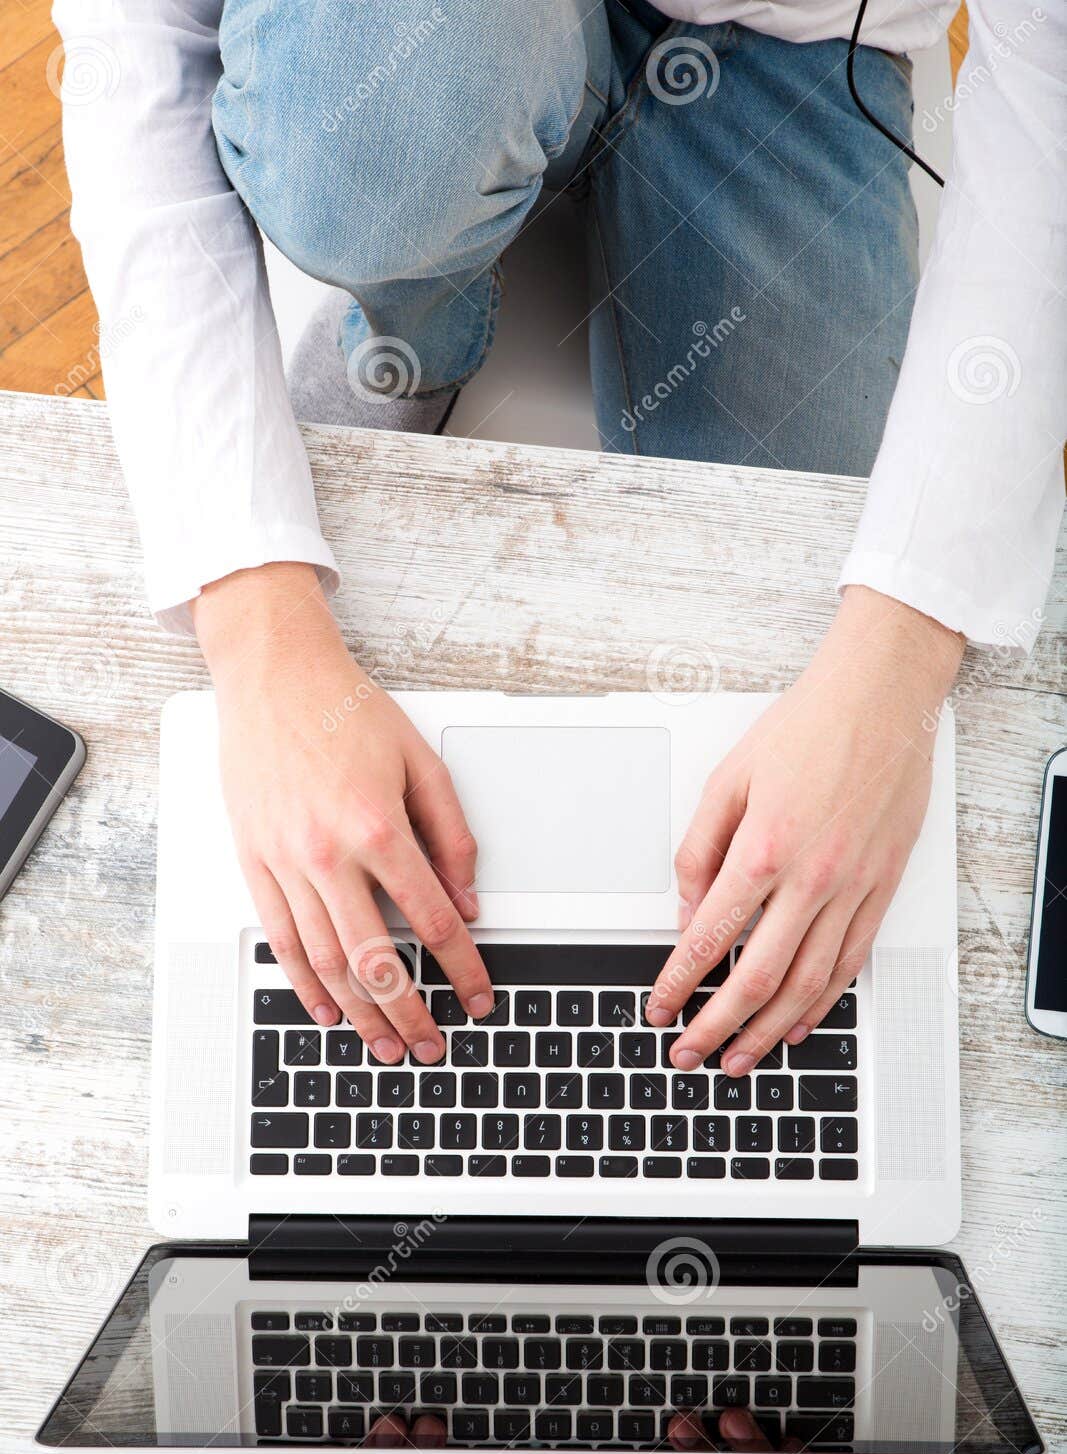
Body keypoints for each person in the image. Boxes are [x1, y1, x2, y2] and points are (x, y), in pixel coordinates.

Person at [57, 1, 1064, 1070]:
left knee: (787, 557)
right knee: (378, 159)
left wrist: (897, 668)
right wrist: (252, 622)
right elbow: (137, 44)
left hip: (795, 47)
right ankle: (421, 310)